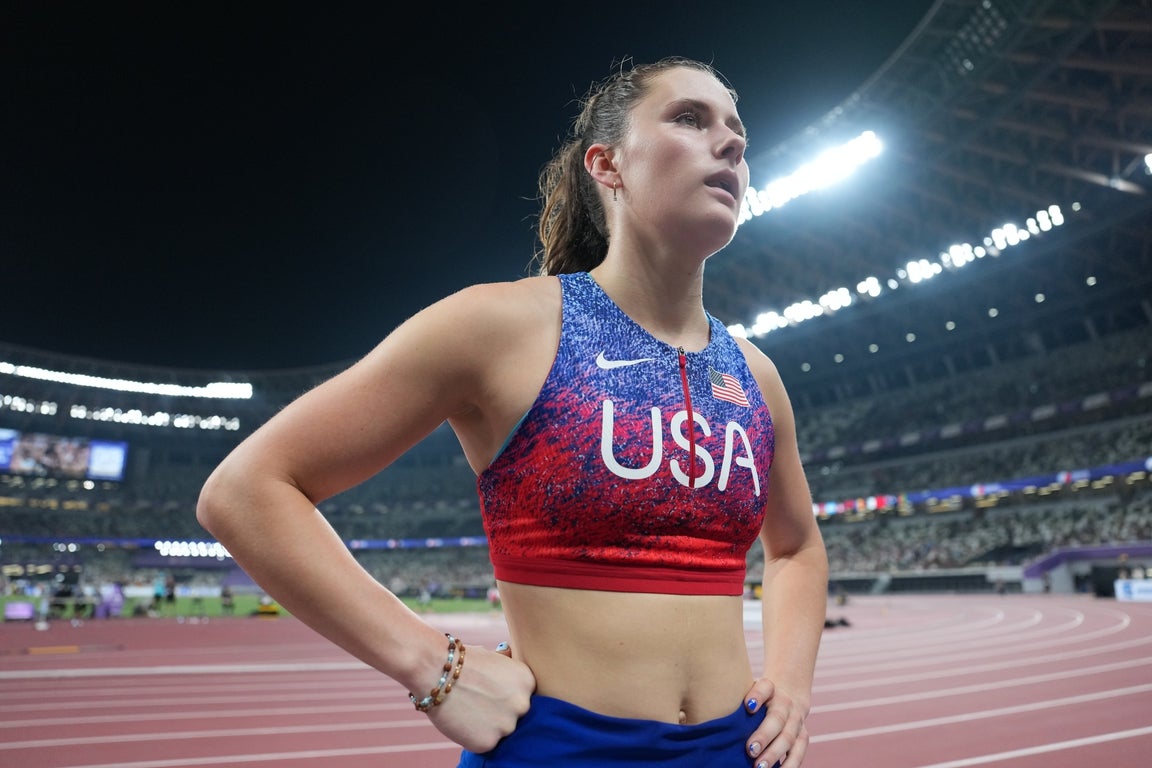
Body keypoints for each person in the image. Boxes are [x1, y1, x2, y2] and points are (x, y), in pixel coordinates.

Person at [197, 56, 828, 768]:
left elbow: (797, 546)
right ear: (607, 164)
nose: (733, 142)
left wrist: (793, 683)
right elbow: (247, 489)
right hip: (557, 749)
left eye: (738, 130)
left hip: (735, 750)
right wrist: (430, 666)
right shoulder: (499, 328)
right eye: (690, 118)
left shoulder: (757, 376)